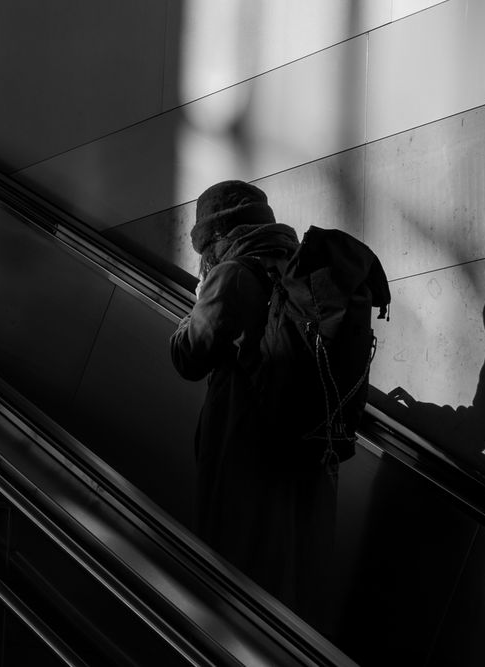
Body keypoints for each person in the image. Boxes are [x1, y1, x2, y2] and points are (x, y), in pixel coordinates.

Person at [169, 180, 341, 631]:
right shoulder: (296, 266)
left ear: (216, 236)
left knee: (234, 570)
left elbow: (188, 355)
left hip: (245, 444)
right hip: (300, 447)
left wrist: (195, 306)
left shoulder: (233, 273)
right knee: (285, 578)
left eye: (204, 247)